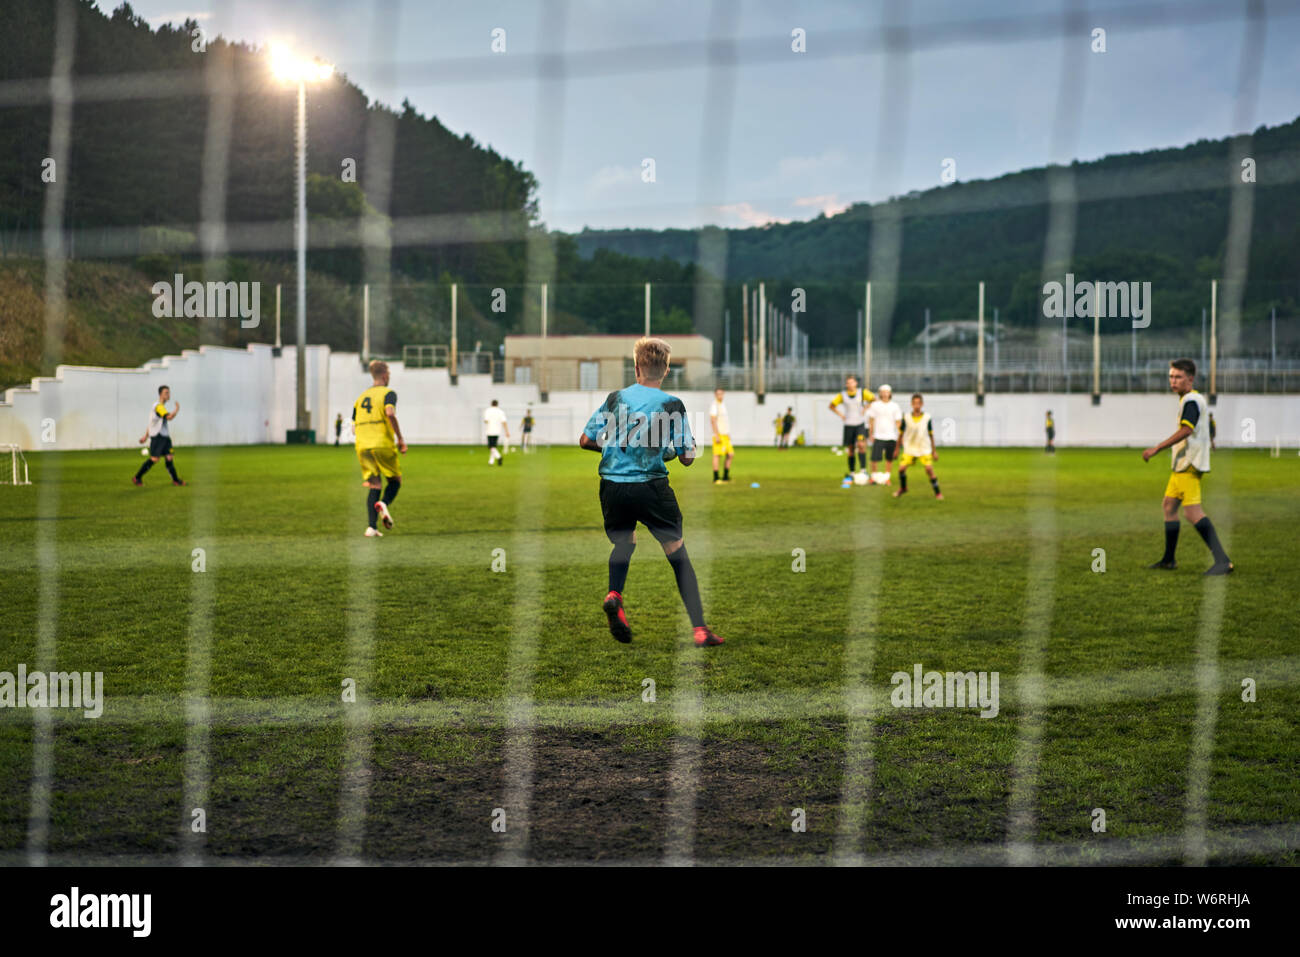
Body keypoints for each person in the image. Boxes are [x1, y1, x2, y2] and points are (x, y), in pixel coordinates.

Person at [579, 337, 723, 648]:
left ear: (636, 367)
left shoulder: (615, 398)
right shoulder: (671, 405)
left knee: (623, 543)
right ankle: (700, 630)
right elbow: (686, 457)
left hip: (613, 487)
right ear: (667, 370)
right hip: (651, 488)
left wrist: (618, 450)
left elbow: (585, 440)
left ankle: (614, 594)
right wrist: (673, 451)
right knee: (677, 555)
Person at [1142, 358, 1233, 575]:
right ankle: (1169, 559)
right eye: (1171, 376)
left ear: (1190, 379)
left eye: (1178, 377)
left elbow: (1186, 430)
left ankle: (1223, 561)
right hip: (1181, 466)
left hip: (1190, 464)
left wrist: (1157, 448)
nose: (1173, 381)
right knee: (1169, 507)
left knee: (1193, 513)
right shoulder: (1189, 400)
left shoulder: (1191, 400)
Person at [353, 359, 406, 538]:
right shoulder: (388, 393)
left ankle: (371, 527)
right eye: (389, 374)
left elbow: (353, 427)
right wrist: (400, 438)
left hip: (362, 446)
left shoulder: (360, 398)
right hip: (381, 443)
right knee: (395, 481)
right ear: (384, 375)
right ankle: (383, 503)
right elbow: (390, 413)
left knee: (374, 484)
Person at [893, 393, 942, 500]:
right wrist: (896, 449)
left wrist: (934, 451)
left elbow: (931, 434)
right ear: (911, 404)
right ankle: (903, 488)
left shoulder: (927, 417)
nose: (917, 405)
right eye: (914, 403)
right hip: (910, 448)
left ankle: (938, 493)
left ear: (922, 404)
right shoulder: (906, 417)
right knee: (901, 469)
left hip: (924, 448)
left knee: (929, 469)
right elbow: (900, 434)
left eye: (919, 403)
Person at [133, 385, 185, 486]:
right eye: (166, 393)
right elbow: (169, 417)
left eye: (169, 393)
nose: (168, 395)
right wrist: (176, 410)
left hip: (165, 437)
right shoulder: (158, 406)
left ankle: (175, 480)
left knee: (169, 457)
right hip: (158, 437)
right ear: (160, 394)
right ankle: (137, 477)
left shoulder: (161, 407)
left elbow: (152, 423)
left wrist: (145, 436)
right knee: (154, 459)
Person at [829, 375, 874, 483]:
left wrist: (866, 408)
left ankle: (863, 470)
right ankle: (852, 472)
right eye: (848, 383)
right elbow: (831, 405)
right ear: (846, 384)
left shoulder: (862, 393)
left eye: (852, 382)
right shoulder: (842, 395)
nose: (850, 384)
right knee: (850, 449)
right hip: (848, 425)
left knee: (861, 445)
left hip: (860, 424)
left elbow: (873, 399)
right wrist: (841, 415)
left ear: (856, 383)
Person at [866, 384, 902, 484]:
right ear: (880, 393)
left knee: (889, 458)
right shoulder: (875, 405)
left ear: (890, 393)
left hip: (891, 436)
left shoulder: (895, 406)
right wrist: (870, 434)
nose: (885, 394)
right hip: (878, 436)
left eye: (887, 392)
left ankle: (887, 478)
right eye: (883, 392)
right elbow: (871, 420)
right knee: (874, 458)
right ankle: (873, 477)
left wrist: (900, 436)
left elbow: (898, 422)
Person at [709, 387, 734, 484]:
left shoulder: (722, 404)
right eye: (718, 394)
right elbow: (713, 420)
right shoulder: (714, 405)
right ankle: (716, 478)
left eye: (721, 393)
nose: (720, 395)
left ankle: (725, 477)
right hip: (719, 435)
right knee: (717, 455)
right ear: (715, 395)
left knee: (730, 454)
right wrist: (716, 435)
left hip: (725, 435)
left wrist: (728, 433)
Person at [484, 399, 509, 466]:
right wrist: (507, 431)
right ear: (497, 404)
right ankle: (491, 462)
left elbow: (486, 421)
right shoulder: (500, 412)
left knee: (491, 447)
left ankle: (499, 457)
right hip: (497, 431)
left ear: (491, 404)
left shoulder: (488, 411)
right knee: (494, 447)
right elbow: (504, 422)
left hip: (490, 431)